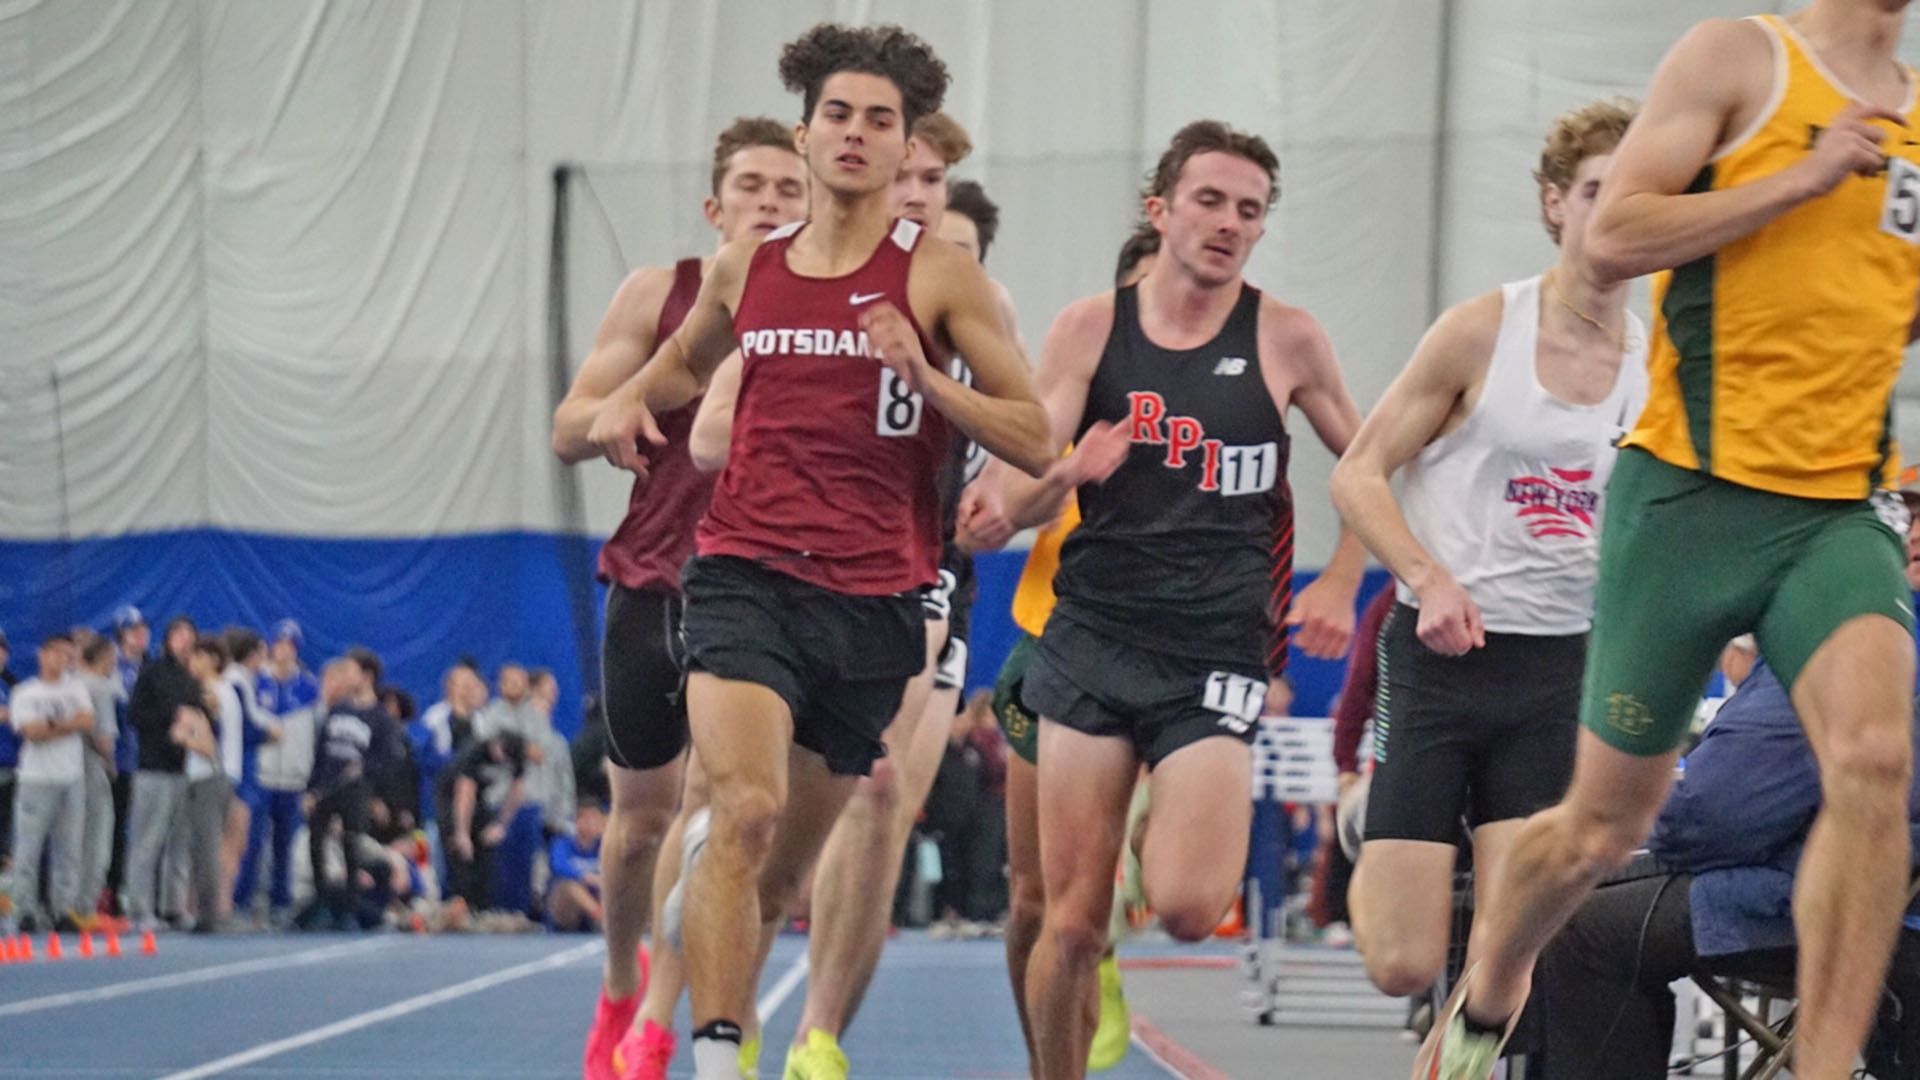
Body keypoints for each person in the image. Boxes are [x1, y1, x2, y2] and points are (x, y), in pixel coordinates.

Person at [1426, 5, 1920, 1078]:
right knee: (1602, 828)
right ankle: (1493, 982)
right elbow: (1615, 236)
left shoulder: (1916, 120)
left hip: (1835, 505)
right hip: (1691, 497)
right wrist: (1799, 176)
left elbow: (1884, 301)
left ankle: (1823, 1069)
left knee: (1876, 755)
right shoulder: (1742, 57)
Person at [586, 22, 1049, 1080]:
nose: (854, 134)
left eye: (878, 121)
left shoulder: (940, 281)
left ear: (904, 150)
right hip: (745, 574)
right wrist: (617, 407)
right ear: (805, 136)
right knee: (741, 809)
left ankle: (723, 957)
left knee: (779, 878)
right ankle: (717, 1053)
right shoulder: (744, 270)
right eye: (836, 114)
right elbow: (676, 366)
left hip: (879, 602)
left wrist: (929, 379)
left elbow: (1033, 434)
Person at [1000, 119, 1368, 1080]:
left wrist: (1343, 574)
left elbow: (1369, 462)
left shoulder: (1287, 336)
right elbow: (1016, 493)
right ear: (1159, 210)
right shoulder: (1090, 328)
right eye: (1209, 200)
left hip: (1215, 653)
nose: (1229, 223)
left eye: (1249, 211)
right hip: (1091, 635)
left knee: (1191, 906)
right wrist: (1063, 473)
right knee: (1069, 921)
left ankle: (1145, 830)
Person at [1326, 100, 1645, 1002]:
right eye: (1594, 190)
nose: (1614, 209)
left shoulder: (1655, 368)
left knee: (1509, 962)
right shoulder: (1481, 332)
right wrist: (1426, 578)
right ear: (1554, 203)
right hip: (1441, 661)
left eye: (1636, 192)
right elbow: (1357, 475)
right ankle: (1367, 814)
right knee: (1403, 964)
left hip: (1560, 673)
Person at [779, 112, 1026, 1080]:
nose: (920, 194)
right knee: (764, 811)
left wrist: (1002, 493)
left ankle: (817, 1034)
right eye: (909, 176)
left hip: (924, 565)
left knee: (881, 796)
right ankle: (724, 991)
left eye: (936, 180)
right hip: (797, 564)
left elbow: (1031, 439)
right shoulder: (806, 277)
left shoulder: (976, 302)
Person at [991, 223, 1159, 1077]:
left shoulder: (1233, 406)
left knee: (1120, 897)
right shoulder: (1071, 394)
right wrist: (1071, 472)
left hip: (1175, 667)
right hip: (1056, 655)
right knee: (1034, 905)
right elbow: (993, 515)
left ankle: (1108, 928)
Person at [305, 656, 403, 929]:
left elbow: (388, 759)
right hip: (326, 787)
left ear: (367, 675)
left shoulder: (381, 718)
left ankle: (348, 907)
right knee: (318, 842)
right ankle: (322, 902)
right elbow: (321, 751)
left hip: (355, 790)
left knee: (351, 843)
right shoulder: (338, 711)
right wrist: (311, 788)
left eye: (351, 671)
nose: (346, 676)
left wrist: (365, 769)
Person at [8, 633, 96, 931]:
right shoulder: (25, 692)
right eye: (59, 653)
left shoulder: (77, 688)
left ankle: (63, 909)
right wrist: (65, 726)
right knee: (29, 848)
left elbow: (87, 722)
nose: (64, 660)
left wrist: (54, 726)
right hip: (36, 779)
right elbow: (31, 732)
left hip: (71, 778)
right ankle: (25, 910)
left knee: (69, 848)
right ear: (43, 655)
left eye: (69, 655)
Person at [124, 615, 206, 930]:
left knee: (179, 842)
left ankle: (173, 907)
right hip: (154, 768)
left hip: (185, 769)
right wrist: (172, 718)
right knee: (147, 840)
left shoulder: (194, 678)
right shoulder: (152, 672)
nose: (184, 640)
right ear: (168, 639)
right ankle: (139, 908)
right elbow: (134, 716)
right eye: (178, 634)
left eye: (189, 634)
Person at [75, 636, 123, 924]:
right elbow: (102, 738)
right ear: (104, 656)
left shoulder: (72, 682)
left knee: (70, 842)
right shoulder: (100, 688)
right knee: (96, 842)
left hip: (68, 772)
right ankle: (86, 907)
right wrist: (112, 766)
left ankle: (65, 905)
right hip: (92, 772)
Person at [549, 802, 609, 933]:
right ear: (576, 822)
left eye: (594, 819)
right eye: (584, 818)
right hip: (568, 908)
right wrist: (586, 877)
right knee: (569, 885)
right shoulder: (563, 843)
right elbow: (559, 866)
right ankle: (600, 916)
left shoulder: (606, 846)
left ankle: (609, 919)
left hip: (600, 897)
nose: (589, 823)